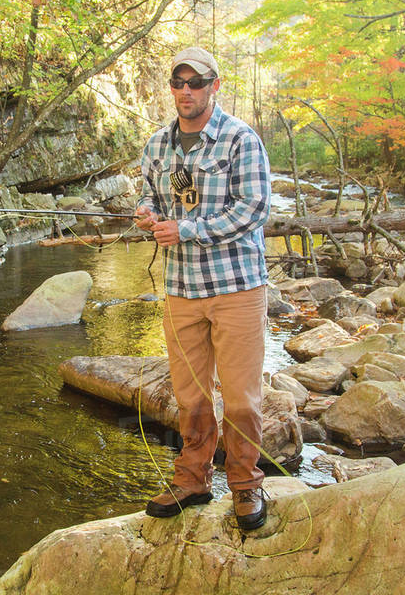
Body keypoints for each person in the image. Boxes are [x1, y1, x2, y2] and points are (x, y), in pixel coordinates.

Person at [133, 46, 272, 531]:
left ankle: (246, 484)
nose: (186, 90)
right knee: (190, 398)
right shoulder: (156, 145)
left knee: (241, 400)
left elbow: (254, 209)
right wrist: (146, 213)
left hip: (237, 287)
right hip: (181, 288)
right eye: (179, 82)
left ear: (214, 86)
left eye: (196, 82)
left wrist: (187, 230)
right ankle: (193, 479)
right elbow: (151, 195)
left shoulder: (241, 140)